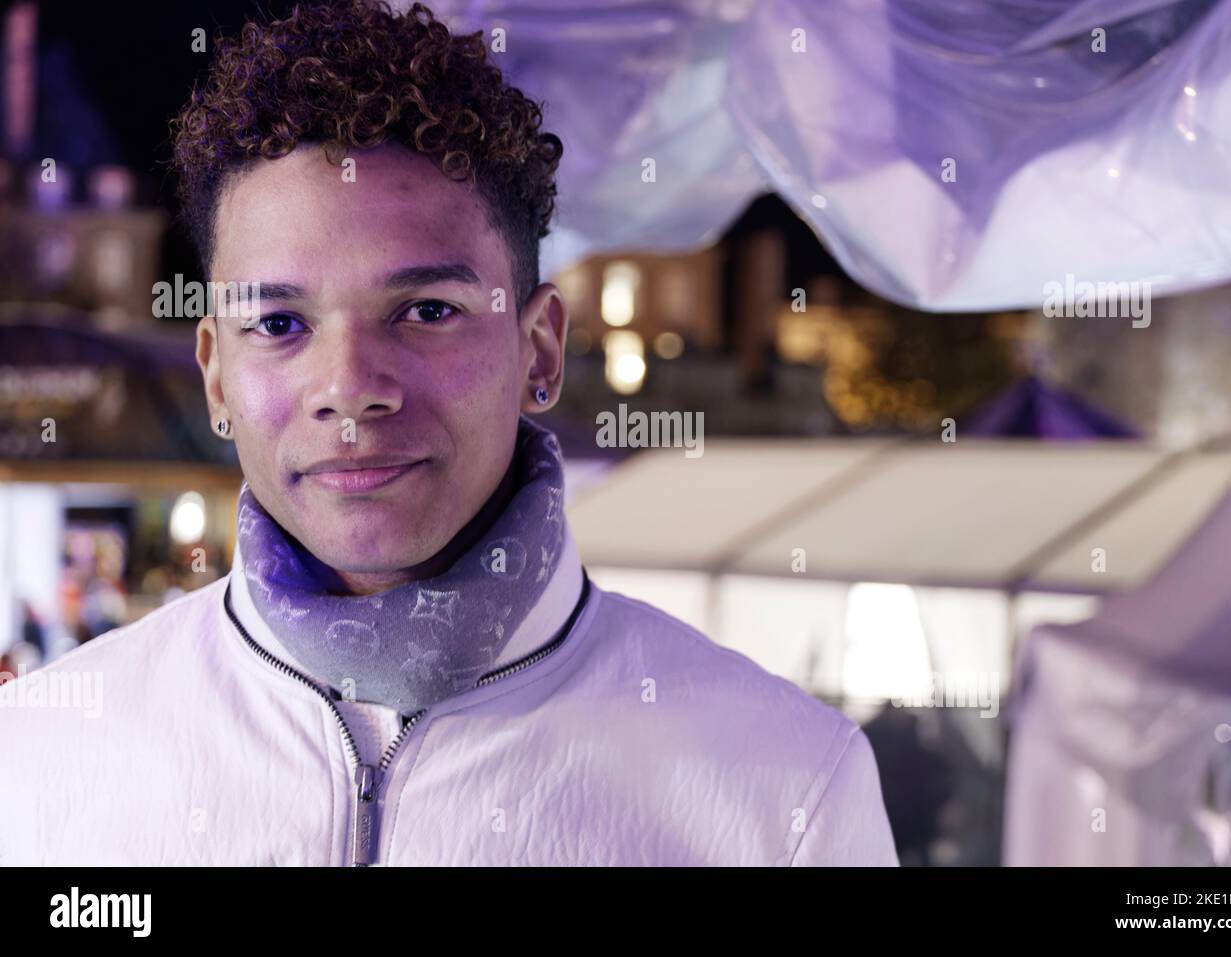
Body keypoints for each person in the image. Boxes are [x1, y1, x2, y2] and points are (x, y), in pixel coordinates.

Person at [0, 0, 897, 866]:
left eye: (426, 309)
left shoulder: (785, 790)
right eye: (278, 324)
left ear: (539, 347)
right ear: (215, 373)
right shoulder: (38, 760)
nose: (350, 390)